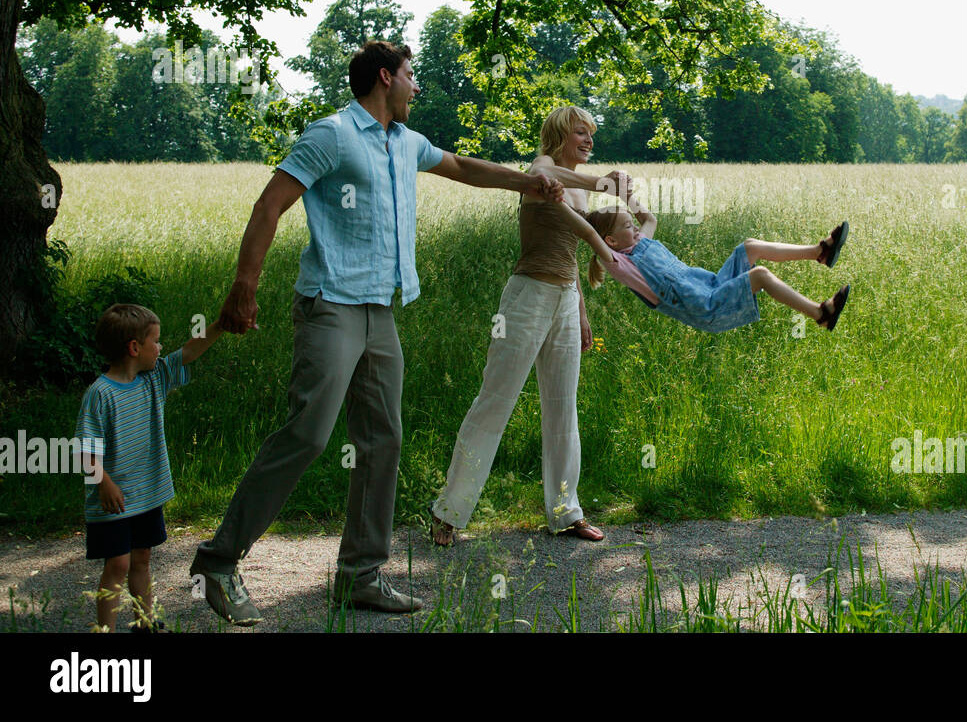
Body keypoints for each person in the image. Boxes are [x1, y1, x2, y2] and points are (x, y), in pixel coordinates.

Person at [189, 40, 562, 626]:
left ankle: (360, 575)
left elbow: (461, 167)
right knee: (309, 434)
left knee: (382, 439)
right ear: (385, 78)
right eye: (412, 76)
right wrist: (243, 287)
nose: (418, 88)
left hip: (380, 312)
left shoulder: (404, 142)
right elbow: (270, 206)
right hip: (330, 305)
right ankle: (218, 560)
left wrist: (528, 184)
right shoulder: (332, 135)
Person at [430, 106, 634, 547]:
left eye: (591, 134)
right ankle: (449, 512)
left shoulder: (575, 191)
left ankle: (565, 512)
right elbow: (555, 182)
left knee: (563, 409)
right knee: (495, 402)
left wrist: (580, 312)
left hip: (562, 299)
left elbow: (571, 256)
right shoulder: (541, 169)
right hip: (525, 299)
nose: (589, 140)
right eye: (581, 133)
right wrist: (607, 183)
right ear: (559, 134)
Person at [77, 303, 224, 632]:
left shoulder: (154, 378)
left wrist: (220, 324)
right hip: (113, 499)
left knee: (141, 559)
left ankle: (145, 622)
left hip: (146, 496)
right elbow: (85, 450)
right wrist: (104, 483)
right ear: (134, 348)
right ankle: (105, 630)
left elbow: (189, 351)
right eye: (156, 342)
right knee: (118, 563)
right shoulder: (100, 394)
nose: (161, 348)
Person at [565, 198, 851, 333]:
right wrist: (561, 206)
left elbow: (649, 219)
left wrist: (626, 195)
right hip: (706, 307)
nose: (636, 228)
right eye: (628, 226)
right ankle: (820, 314)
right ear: (611, 241)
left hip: (712, 286)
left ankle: (820, 252)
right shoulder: (621, 264)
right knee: (759, 275)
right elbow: (590, 234)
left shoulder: (641, 242)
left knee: (749, 246)